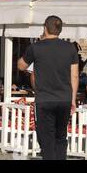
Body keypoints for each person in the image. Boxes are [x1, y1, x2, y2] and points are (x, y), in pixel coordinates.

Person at [17, 15, 80, 160]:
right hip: (64, 98)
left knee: (46, 138)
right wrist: (73, 99)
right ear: (60, 30)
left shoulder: (36, 47)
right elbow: (74, 76)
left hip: (44, 99)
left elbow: (21, 66)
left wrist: (30, 52)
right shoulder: (70, 48)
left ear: (45, 28)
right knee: (61, 136)